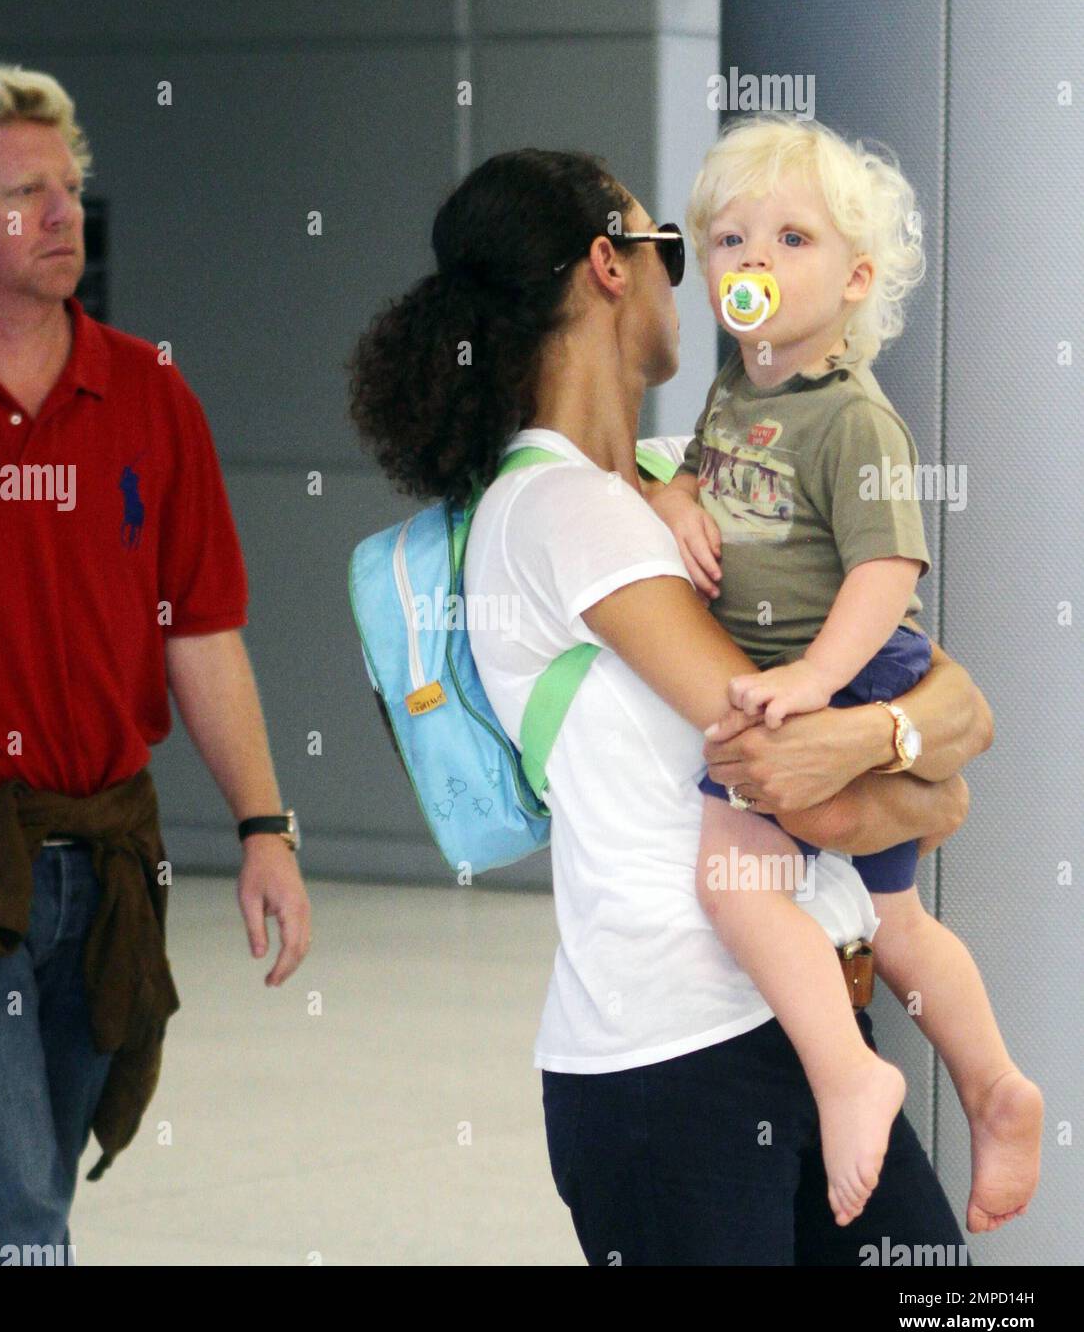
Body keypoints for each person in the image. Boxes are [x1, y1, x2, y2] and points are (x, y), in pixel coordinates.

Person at [349, 147, 993, 1265]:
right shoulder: (558, 513)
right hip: (674, 1065)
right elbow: (795, 774)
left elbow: (953, 703)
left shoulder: (672, 478)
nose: (702, 279)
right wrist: (917, 773)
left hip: (810, 1031)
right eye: (673, 250)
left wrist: (891, 744)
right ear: (610, 265)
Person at [0, 65, 310, 1263]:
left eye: (71, 189)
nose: (64, 215)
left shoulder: (149, 396)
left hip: (106, 859)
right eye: (24, 194)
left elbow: (199, 631)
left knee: (16, 1202)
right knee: (17, 1218)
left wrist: (265, 826)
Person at [648, 116, 1042, 1232]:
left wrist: (823, 678)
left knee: (738, 876)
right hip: (806, 671)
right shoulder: (736, 393)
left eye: (790, 238)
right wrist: (676, 498)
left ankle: (850, 1074)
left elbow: (889, 565)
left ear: (856, 278)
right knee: (894, 922)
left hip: (853, 667)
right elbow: (695, 479)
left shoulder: (852, 416)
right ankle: (994, 1088)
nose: (753, 261)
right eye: (728, 239)